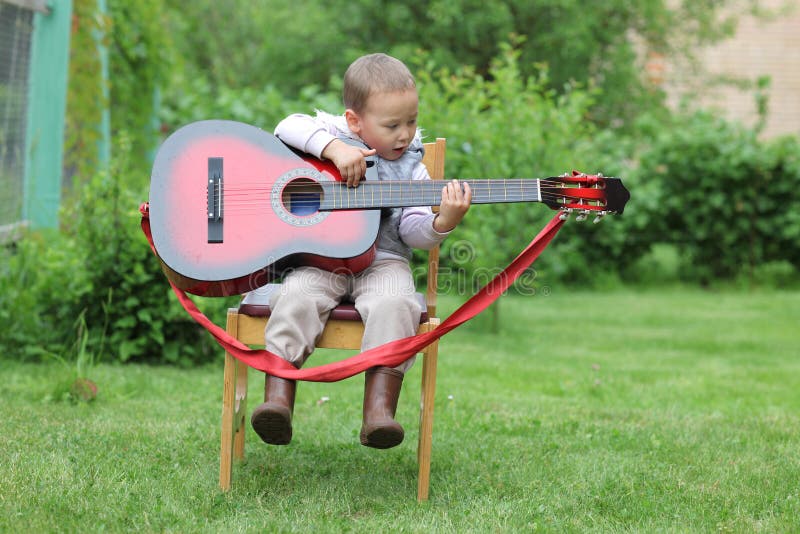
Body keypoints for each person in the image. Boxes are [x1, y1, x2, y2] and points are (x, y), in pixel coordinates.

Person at [251, 53, 471, 449]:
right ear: (355, 121)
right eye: (392, 125)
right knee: (295, 297)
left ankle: (379, 413)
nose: (404, 134)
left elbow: (412, 232)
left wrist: (443, 223)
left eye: (411, 122)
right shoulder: (331, 132)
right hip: (320, 261)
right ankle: (277, 402)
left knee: (396, 302)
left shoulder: (412, 169)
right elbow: (287, 126)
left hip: (382, 262)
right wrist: (334, 149)